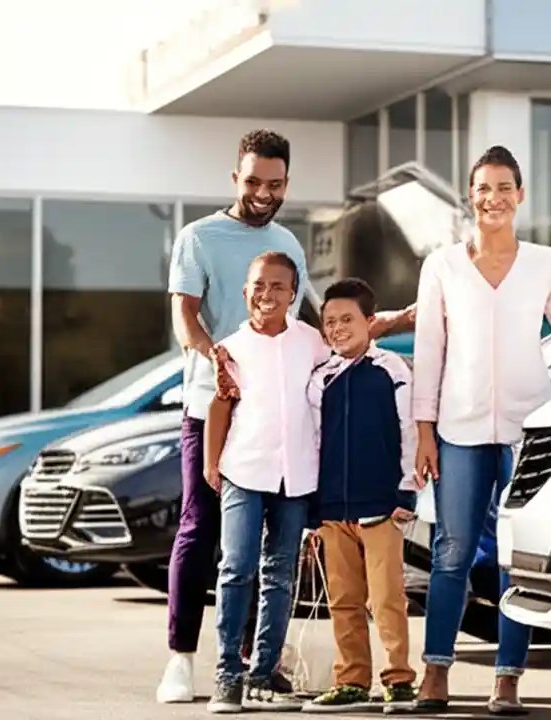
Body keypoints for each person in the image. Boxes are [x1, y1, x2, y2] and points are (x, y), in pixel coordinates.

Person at [159, 128, 412, 704]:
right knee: (205, 535)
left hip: (282, 431)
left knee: (274, 560)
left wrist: (395, 322)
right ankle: (182, 657)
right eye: (253, 182)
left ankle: (258, 664)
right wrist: (217, 359)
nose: (263, 192)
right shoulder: (198, 238)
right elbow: (185, 318)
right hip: (212, 406)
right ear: (235, 178)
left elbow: (326, 329)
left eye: (274, 184)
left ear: (286, 184)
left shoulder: (288, 246)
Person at [410, 145, 551, 715]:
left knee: (515, 559)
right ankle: (436, 674)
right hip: (458, 429)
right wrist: (424, 431)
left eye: (503, 188)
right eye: (482, 189)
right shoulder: (441, 265)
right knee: (451, 553)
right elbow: (430, 351)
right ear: (470, 198)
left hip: (529, 433)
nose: (492, 198)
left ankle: (507, 679)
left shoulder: (546, 263)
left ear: (520, 196)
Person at [202, 251, 327, 713]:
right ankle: (227, 674)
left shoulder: (312, 342)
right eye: (259, 285)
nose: (267, 294)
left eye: (278, 286)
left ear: (293, 295)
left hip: (296, 474)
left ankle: (264, 672)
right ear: (245, 291)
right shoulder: (231, 347)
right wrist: (211, 464)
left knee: (280, 573)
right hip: (244, 470)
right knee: (236, 569)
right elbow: (220, 404)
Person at [302, 278, 423, 715]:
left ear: (370, 322)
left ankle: (398, 681)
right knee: (344, 599)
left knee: (387, 596)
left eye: (347, 319)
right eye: (330, 322)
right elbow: (312, 443)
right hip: (333, 509)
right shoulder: (321, 379)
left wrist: (406, 493)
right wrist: (314, 506)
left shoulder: (391, 370)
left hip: (381, 506)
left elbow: (409, 433)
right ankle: (352, 681)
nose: (337, 328)